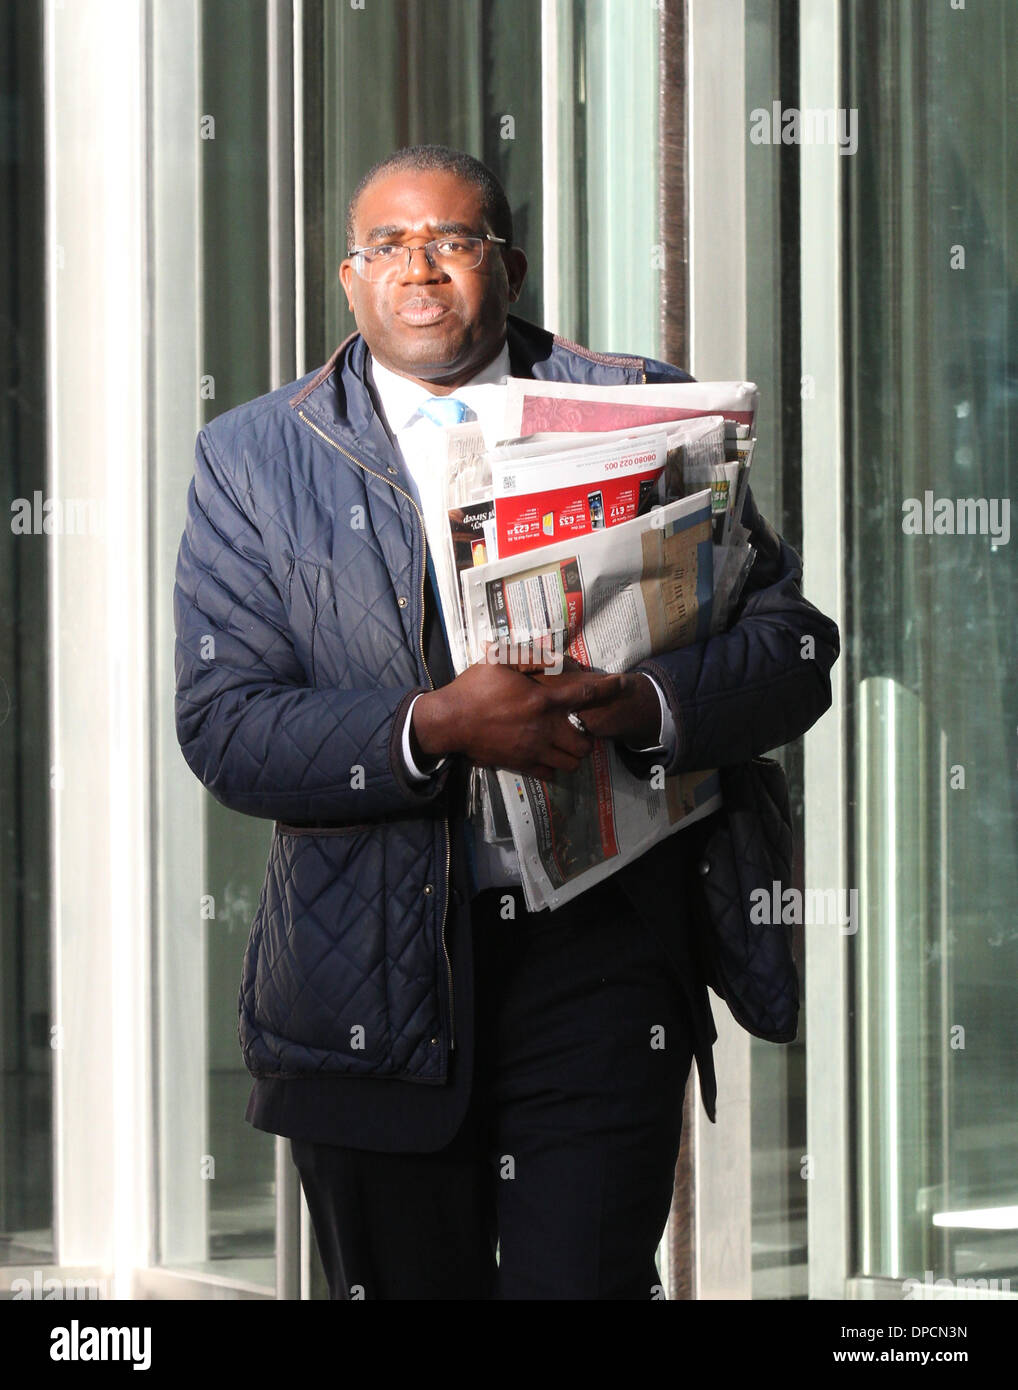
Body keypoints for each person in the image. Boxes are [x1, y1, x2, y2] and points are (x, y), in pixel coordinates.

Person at [173, 144, 840, 1300]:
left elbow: (793, 650)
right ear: (349, 277)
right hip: (364, 989)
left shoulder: (639, 406)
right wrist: (434, 726)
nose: (419, 267)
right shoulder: (253, 456)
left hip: (601, 959)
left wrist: (645, 703)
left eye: (454, 240)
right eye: (388, 244)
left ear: (510, 266)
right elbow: (226, 726)